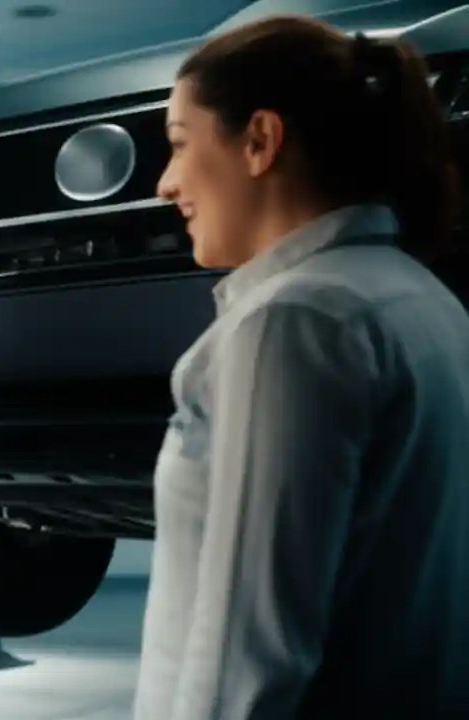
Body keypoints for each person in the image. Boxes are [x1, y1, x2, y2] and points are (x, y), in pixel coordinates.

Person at [136, 14, 468, 719]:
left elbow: (248, 656)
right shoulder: (427, 303)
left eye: (179, 144)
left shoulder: (293, 324)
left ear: (259, 140)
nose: (166, 184)